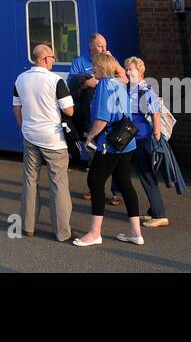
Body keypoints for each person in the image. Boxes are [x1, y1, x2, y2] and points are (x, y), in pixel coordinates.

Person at [76, 51, 144, 248]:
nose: (92, 69)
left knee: (95, 181)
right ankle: (135, 232)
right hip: (127, 141)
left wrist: (90, 136)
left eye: (95, 66)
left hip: (110, 144)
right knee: (125, 184)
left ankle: (95, 233)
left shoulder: (105, 85)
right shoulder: (120, 84)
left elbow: (102, 119)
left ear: (103, 67)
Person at [12, 43, 76, 245]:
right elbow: (69, 111)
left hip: (30, 136)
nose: (54, 60)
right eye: (53, 57)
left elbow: (16, 108)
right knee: (58, 183)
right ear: (45, 58)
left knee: (30, 181)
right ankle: (62, 232)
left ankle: (27, 226)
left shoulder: (20, 79)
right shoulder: (56, 80)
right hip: (53, 139)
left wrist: (23, 128)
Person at [67, 32, 124, 206]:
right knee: (92, 152)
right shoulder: (79, 62)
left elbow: (125, 79)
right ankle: (95, 189)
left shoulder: (109, 60)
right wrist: (85, 83)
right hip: (88, 114)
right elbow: (70, 83)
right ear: (91, 47)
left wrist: (112, 61)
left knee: (113, 154)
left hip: (108, 116)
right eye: (100, 46)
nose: (104, 49)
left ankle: (116, 192)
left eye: (105, 46)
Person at [124, 57, 170, 229]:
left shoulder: (144, 90)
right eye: (126, 69)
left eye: (131, 70)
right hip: (135, 137)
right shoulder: (133, 88)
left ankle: (159, 215)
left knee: (146, 175)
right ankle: (153, 210)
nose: (128, 72)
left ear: (140, 71)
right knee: (146, 174)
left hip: (143, 138)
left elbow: (155, 114)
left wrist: (156, 135)